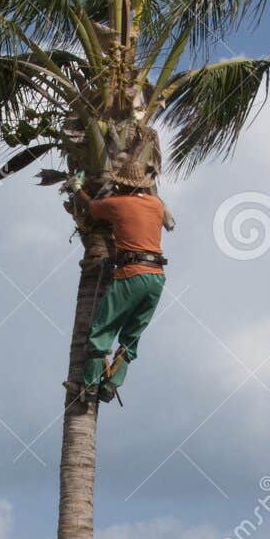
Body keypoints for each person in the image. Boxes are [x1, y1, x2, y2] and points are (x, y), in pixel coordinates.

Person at [68, 160, 171, 406]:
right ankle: (111, 385)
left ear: (122, 185)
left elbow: (90, 206)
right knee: (132, 336)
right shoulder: (156, 205)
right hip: (156, 277)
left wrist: (76, 188)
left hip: (131, 275)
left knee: (102, 331)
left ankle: (90, 387)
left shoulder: (118, 204)